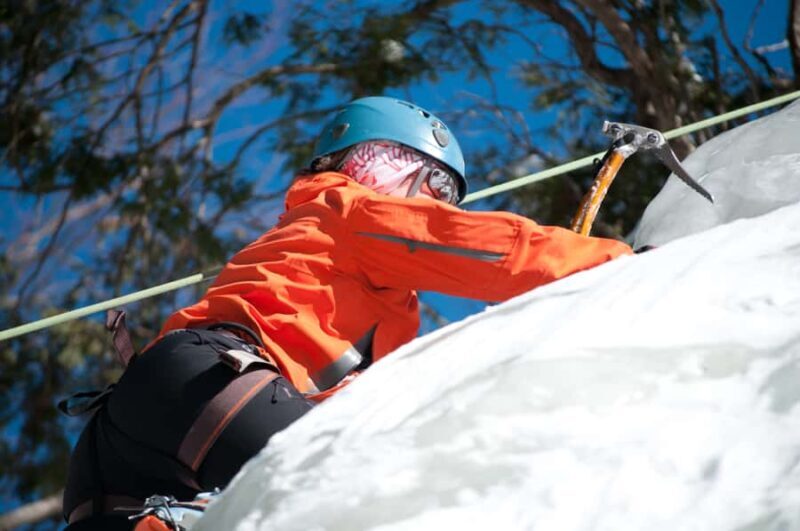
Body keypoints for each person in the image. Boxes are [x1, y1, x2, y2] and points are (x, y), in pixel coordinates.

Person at [61, 96, 632, 529]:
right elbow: (484, 248)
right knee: (363, 503)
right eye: (429, 179)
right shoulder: (348, 210)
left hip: (129, 441)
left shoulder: (322, 248)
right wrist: (620, 263)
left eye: (448, 191)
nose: (438, 199)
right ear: (381, 167)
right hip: (218, 382)